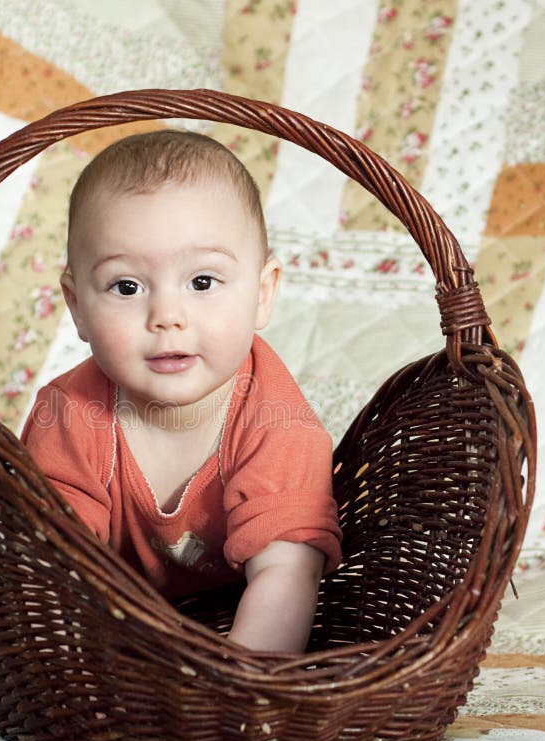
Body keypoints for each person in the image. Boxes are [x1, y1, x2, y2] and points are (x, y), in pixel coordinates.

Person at [21, 130, 342, 653]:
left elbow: (287, 569)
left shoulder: (280, 423)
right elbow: (49, 570)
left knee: (290, 557)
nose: (167, 316)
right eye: (127, 286)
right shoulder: (67, 414)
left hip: (241, 612)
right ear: (77, 307)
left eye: (202, 282)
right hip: (113, 617)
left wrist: (242, 684)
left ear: (262, 294)